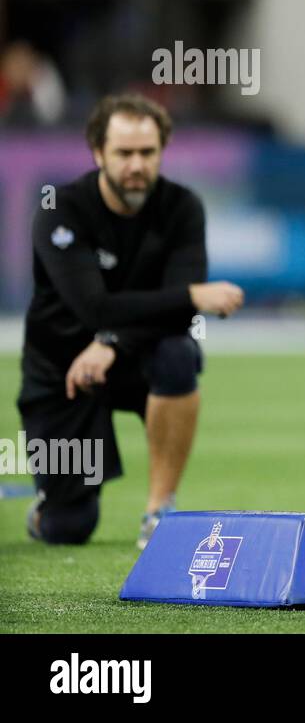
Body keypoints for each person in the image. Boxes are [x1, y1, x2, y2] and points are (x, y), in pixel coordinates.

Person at [17, 93, 245, 548]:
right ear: (98, 152)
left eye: (148, 152)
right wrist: (191, 295)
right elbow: (93, 307)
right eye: (124, 153)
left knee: (179, 356)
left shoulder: (182, 207)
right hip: (62, 369)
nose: (136, 165)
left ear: (163, 151)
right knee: (69, 527)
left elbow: (177, 318)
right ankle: (46, 507)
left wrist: (110, 343)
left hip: (135, 358)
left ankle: (159, 511)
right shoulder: (59, 210)